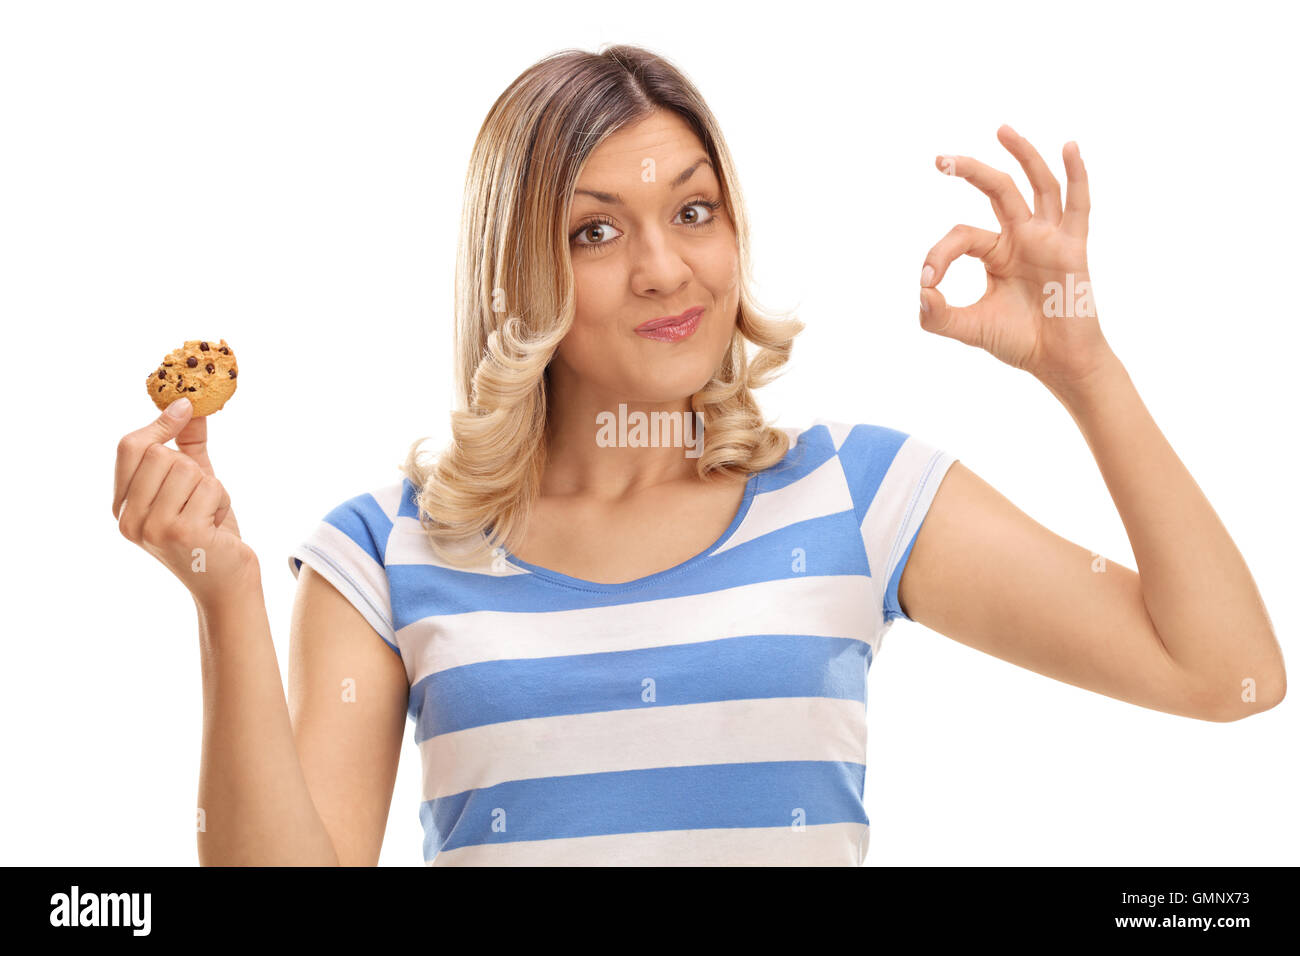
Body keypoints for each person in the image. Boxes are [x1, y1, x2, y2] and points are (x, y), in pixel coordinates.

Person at [112, 44, 1285, 867]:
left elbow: (1224, 671)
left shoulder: (855, 493)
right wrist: (224, 598)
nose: (665, 269)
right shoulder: (384, 549)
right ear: (513, 274)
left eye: (693, 209)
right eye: (594, 230)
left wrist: (1081, 367)